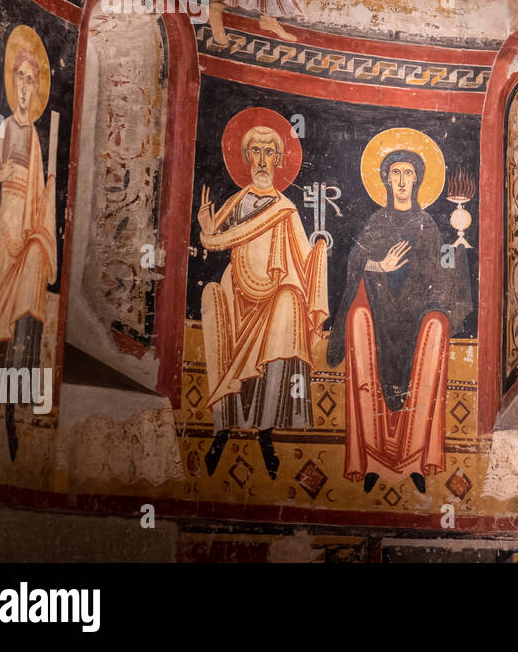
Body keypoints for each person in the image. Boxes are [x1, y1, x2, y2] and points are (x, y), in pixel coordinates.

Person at [327, 148, 472, 494]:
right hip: (378, 311)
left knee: (437, 326)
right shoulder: (377, 221)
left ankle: (413, 456)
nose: (403, 180)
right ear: (387, 180)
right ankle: (374, 459)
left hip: (417, 315)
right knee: (358, 321)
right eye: (396, 173)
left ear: (418, 179)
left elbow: (438, 275)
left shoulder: (428, 225)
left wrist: (458, 259)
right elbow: (354, 265)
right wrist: (380, 267)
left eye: (408, 173)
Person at [197, 124, 329, 480]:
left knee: (288, 303)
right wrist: (207, 229)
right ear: (245, 158)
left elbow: (303, 260)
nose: (261, 160)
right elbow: (213, 240)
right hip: (236, 290)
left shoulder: (285, 210)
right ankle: (222, 430)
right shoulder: (236, 203)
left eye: (269, 152)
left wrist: (319, 253)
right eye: (255, 151)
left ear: (278, 159)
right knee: (210, 296)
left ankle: (266, 432)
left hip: (272, 297)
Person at [0, 36, 57, 460]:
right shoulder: (6, 127)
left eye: (31, 82)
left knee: (31, 282)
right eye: (20, 79)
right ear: (13, 83)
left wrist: (46, 199)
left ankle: (11, 406)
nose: (24, 88)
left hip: (26, 228)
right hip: (4, 226)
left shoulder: (37, 137)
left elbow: (39, 194)